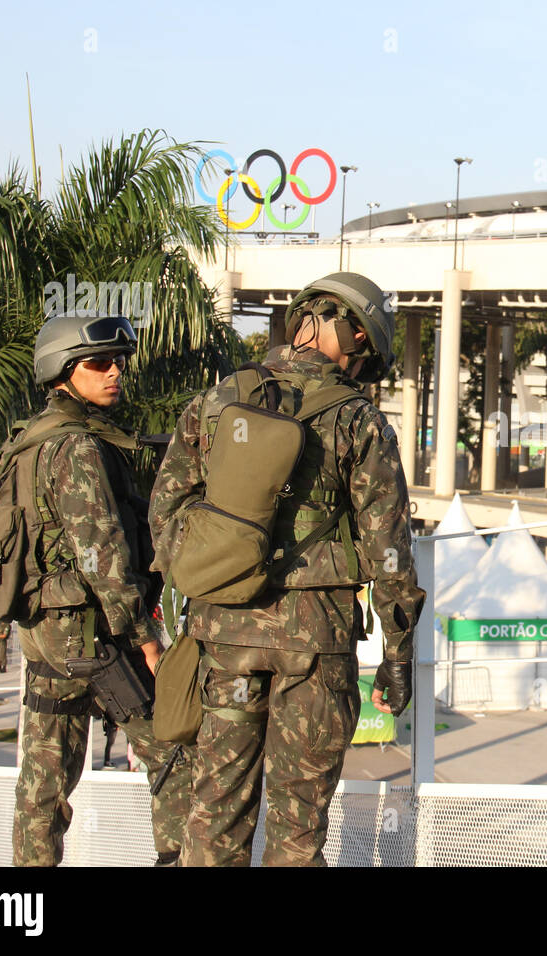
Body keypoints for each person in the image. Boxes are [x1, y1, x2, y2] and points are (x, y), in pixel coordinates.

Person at [151, 272, 425, 866]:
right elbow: (391, 553)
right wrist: (399, 654)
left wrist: (211, 583)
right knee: (298, 830)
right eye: (362, 348)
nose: (359, 367)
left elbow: (166, 513)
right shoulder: (360, 421)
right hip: (316, 643)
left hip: (223, 636)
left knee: (215, 817)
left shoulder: (218, 401)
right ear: (344, 331)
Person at [8, 312, 193, 867]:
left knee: (43, 782)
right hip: (97, 637)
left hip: (46, 639)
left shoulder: (27, 442)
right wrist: (147, 640)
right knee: (173, 754)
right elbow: (102, 553)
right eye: (98, 363)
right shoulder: (78, 448)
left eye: (119, 362)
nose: (115, 372)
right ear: (64, 371)